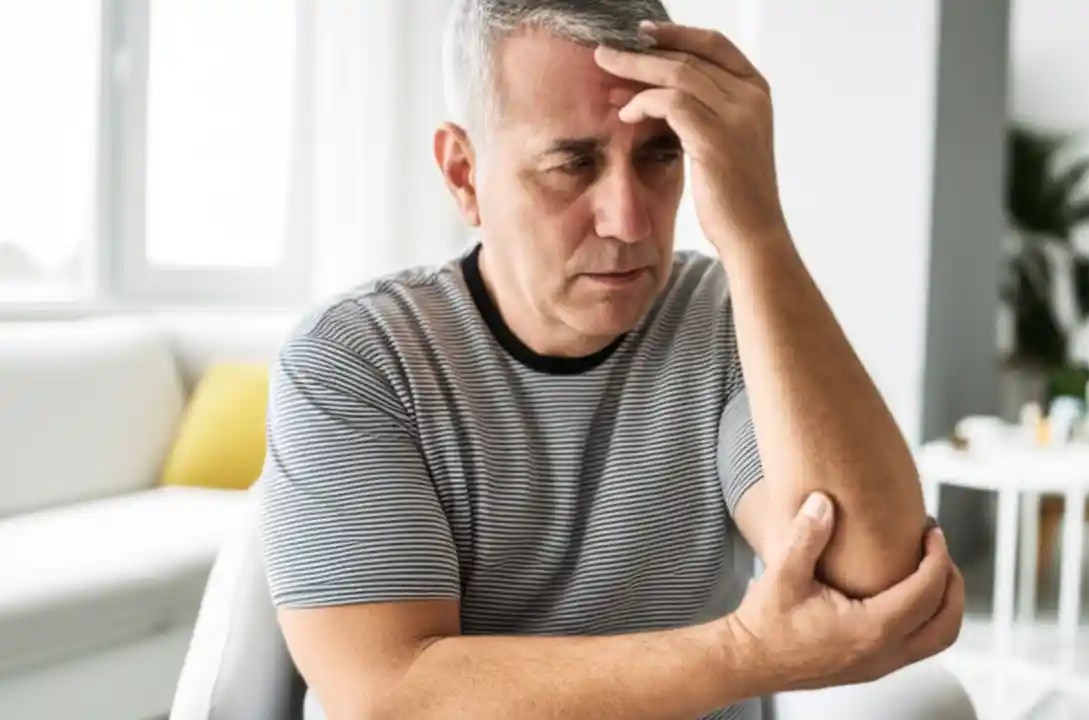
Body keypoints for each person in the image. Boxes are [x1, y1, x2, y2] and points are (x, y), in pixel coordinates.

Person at [261, 1, 965, 718]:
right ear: (464, 173)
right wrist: (748, 652)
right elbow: (392, 695)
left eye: (661, 155)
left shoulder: (724, 317)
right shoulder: (357, 360)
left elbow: (872, 580)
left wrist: (757, 231)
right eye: (572, 164)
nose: (629, 221)